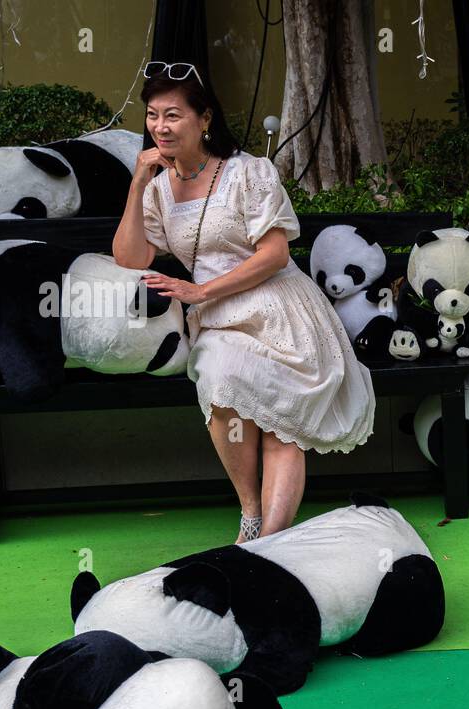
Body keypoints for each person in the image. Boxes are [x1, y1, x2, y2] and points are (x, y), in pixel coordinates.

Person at [113, 62, 375, 543]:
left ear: (204, 119)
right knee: (221, 379)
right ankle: (250, 514)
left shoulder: (248, 172)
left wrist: (201, 292)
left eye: (173, 115)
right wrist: (136, 184)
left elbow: (276, 254)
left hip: (280, 310)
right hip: (220, 323)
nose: (161, 126)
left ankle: (268, 544)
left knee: (282, 422)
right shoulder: (156, 189)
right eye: (153, 115)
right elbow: (131, 257)